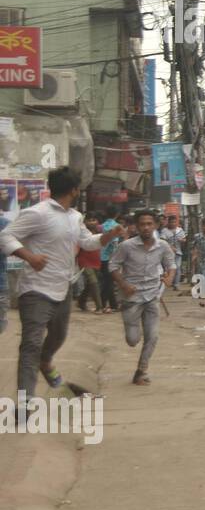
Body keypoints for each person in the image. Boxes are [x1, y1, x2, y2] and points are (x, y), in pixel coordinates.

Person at [0, 167, 123, 404]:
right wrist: (29, 257)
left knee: (58, 337)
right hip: (35, 290)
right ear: (75, 190)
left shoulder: (75, 217)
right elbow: (5, 236)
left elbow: (87, 243)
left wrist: (108, 236)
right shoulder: (37, 213)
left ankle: (46, 364)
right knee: (30, 346)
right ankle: (25, 403)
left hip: (62, 288)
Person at [109, 210, 176, 386]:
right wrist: (123, 284)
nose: (146, 227)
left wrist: (169, 277)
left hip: (152, 296)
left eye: (149, 224)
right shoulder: (127, 246)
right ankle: (132, 334)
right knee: (132, 340)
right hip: (131, 298)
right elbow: (113, 265)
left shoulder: (162, 246)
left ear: (155, 225)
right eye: (142, 224)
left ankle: (141, 371)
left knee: (152, 336)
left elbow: (171, 264)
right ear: (136, 227)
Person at [76, 214, 105, 313]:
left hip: (96, 260)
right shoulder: (80, 233)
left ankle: (81, 301)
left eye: (94, 219)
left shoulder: (100, 232)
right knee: (93, 281)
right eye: (89, 220)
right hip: (84, 260)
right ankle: (99, 307)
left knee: (90, 284)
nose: (92, 222)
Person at [98, 206, 121, 313]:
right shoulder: (116, 226)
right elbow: (114, 243)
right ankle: (102, 304)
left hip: (100, 256)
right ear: (117, 214)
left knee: (107, 281)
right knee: (108, 282)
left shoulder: (101, 226)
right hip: (110, 257)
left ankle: (113, 304)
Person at [159, 213, 186, 292]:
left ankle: (176, 285)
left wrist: (182, 240)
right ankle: (168, 282)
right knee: (168, 269)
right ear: (168, 222)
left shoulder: (180, 230)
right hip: (167, 254)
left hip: (178, 253)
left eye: (174, 222)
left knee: (177, 267)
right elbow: (162, 240)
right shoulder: (164, 231)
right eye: (171, 222)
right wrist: (170, 247)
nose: (173, 224)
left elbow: (184, 239)